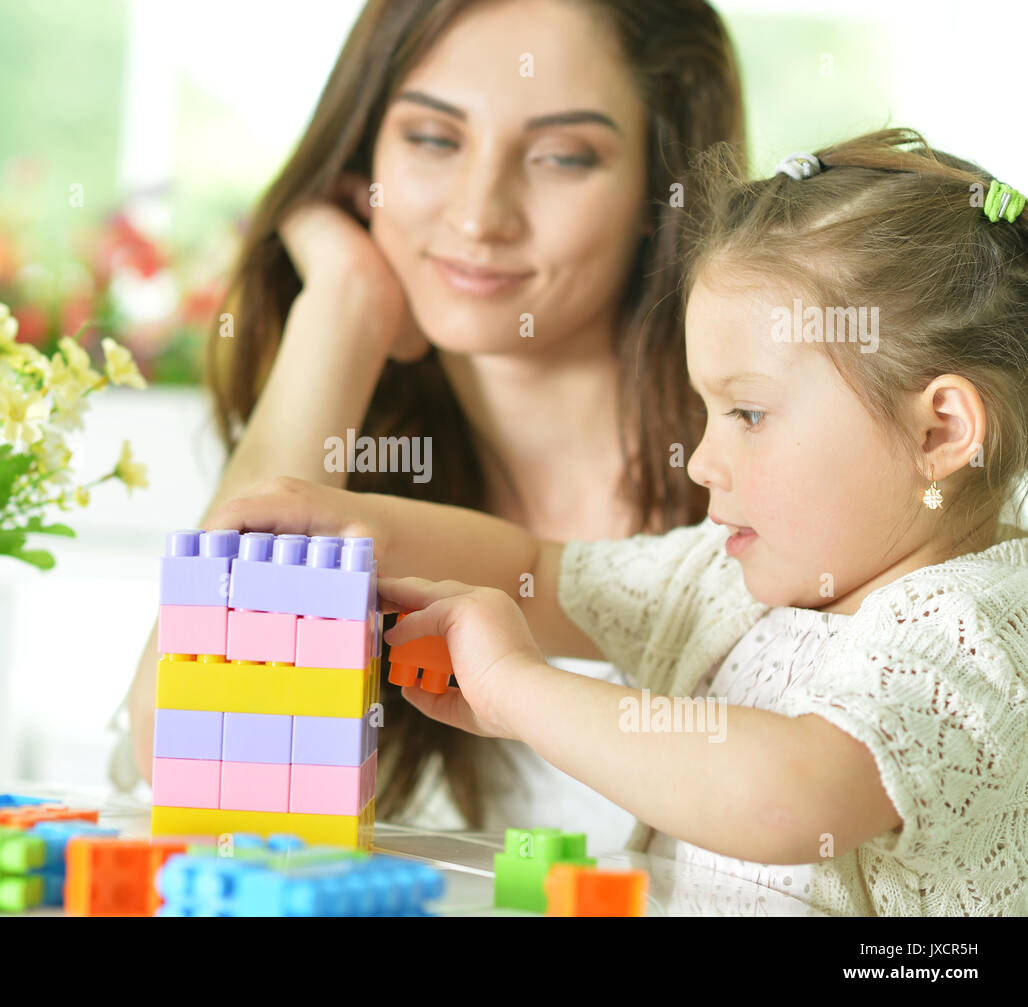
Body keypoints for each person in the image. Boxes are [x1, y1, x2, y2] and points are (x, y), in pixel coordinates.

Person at [212, 128, 1028, 914]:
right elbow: (538, 568)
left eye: (746, 412)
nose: (702, 460)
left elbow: (790, 795)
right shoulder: (727, 580)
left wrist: (518, 692)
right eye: (707, 411)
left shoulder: (976, 633)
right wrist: (342, 521)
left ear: (940, 431)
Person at [117, 0, 745, 842]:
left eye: (563, 156)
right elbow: (181, 744)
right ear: (362, 157)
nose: (481, 216)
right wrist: (343, 310)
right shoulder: (355, 460)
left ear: (654, 191)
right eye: (433, 140)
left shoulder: (762, 473)